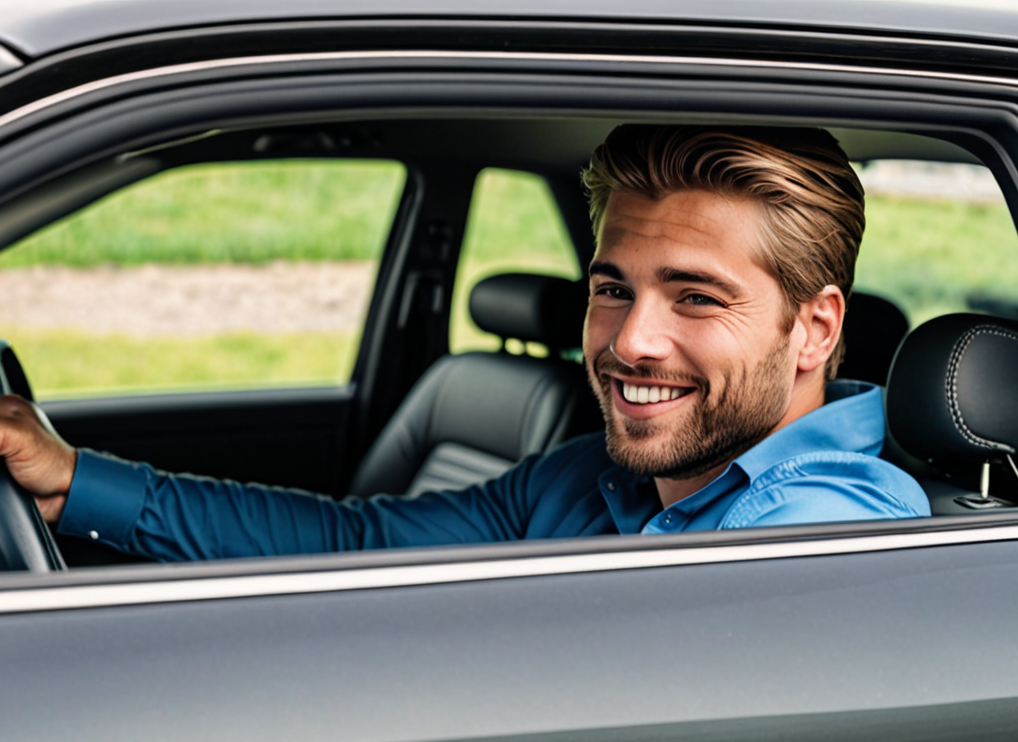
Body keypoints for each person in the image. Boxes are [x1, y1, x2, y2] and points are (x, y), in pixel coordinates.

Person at [0, 125, 930, 561]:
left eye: (696, 298)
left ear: (815, 328)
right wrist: (74, 480)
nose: (632, 341)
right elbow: (356, 542)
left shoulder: (829, 531)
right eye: (613, 289)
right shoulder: (586, 476)